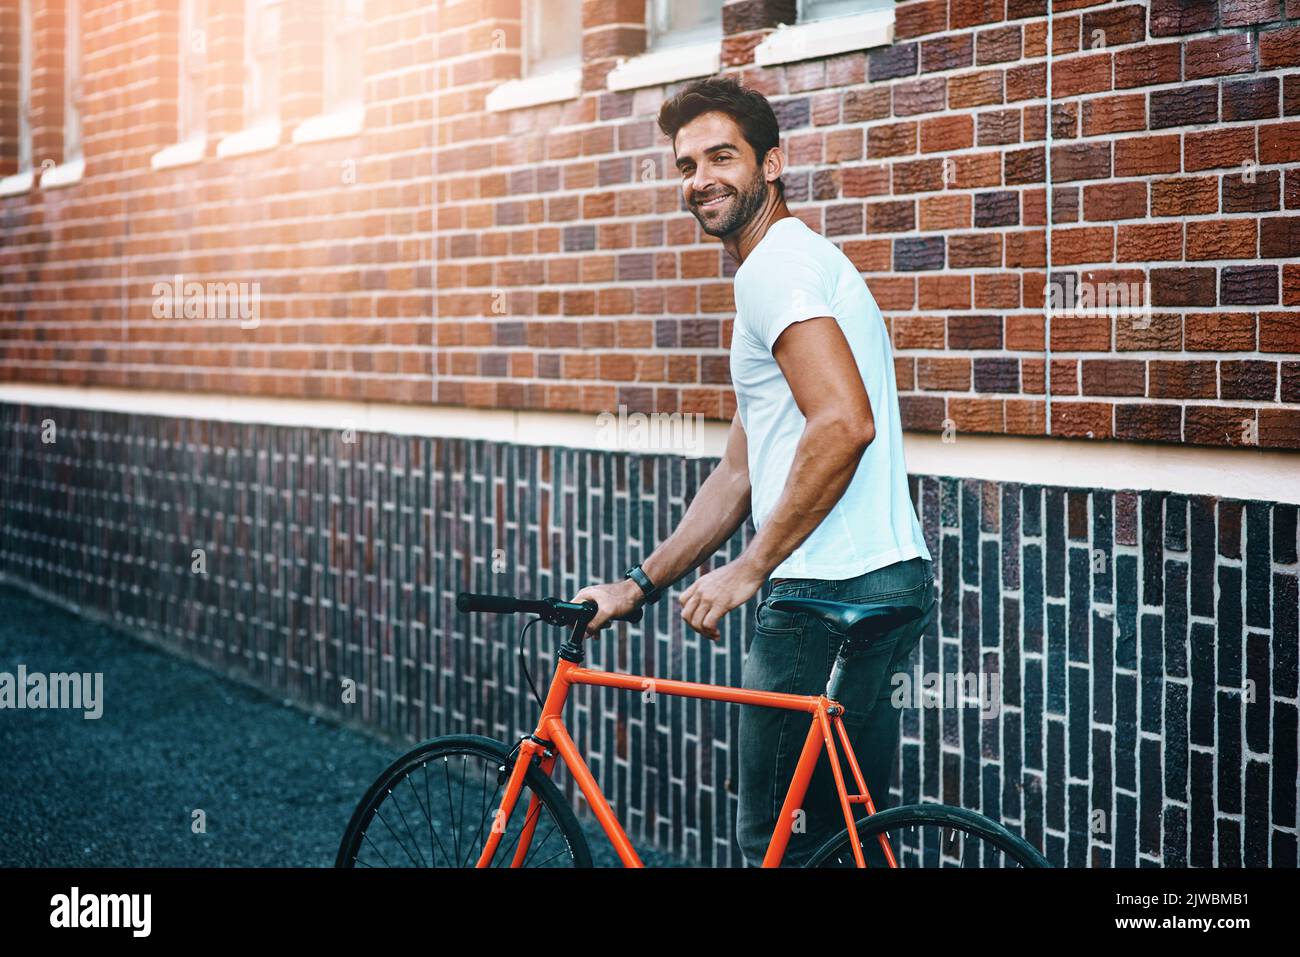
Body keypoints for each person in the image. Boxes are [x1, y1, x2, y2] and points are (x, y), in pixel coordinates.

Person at [571, 75, 935, 867]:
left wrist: (749, 569)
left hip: (818, 593)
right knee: (849, 837)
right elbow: (739, 472)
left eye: (721, 157)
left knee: (775, 842)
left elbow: (845, 423)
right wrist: (640, 584)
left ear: (771, 164)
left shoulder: (773, 271)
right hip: (891, 582)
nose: (701, 178)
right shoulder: (803, 264)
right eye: (685, 164)